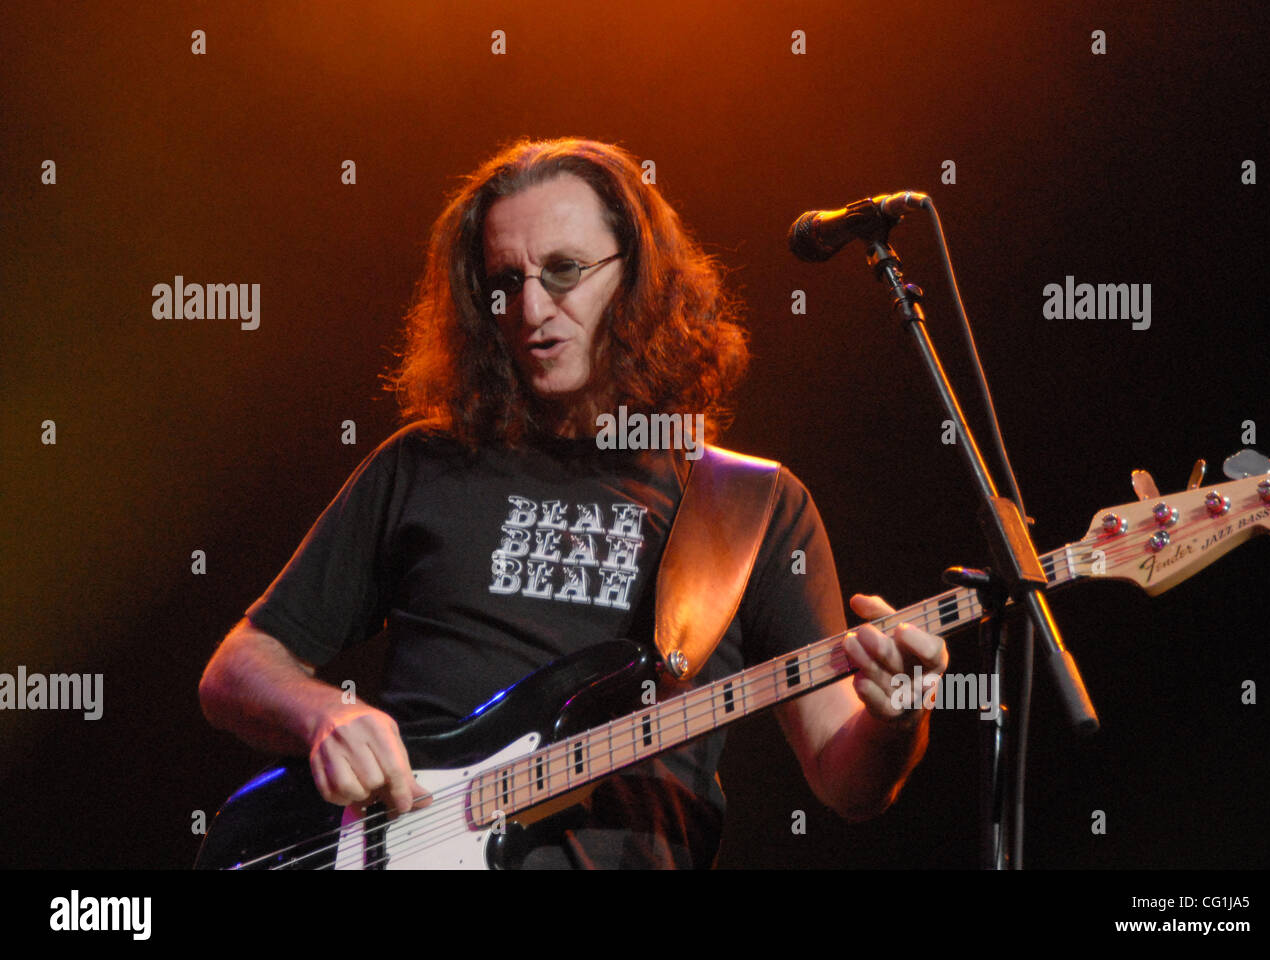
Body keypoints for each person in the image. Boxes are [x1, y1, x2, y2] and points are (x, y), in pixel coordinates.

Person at [198, 137, 949, 868]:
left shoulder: (751, 507)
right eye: (506, 281)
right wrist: (326, 714)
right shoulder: (423, 464)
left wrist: (897, 717)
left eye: (563, 271)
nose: (530, 306)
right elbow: (237, 668)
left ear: (639, 278)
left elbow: (846, 782)